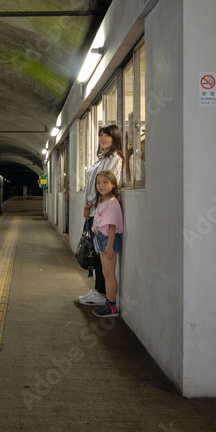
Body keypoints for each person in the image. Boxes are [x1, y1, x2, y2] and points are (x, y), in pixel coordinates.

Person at [78, 124, 124, 306]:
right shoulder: (100, 158)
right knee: (95, 253)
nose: (103, 139)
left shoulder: (114, 158)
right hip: (96, 213)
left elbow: (107, 183)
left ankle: (102, 293)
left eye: (108, 136)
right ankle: (98, 290)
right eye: (101, 135)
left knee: (100, 256)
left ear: (115, 138)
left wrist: (89, 204)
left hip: (101, 212)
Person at [90, 170, 123, 317]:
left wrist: (109, 246)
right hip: (101, 238)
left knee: (109, 274)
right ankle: (108, 303)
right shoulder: (103, 201)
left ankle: (112, 307)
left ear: (113, 184)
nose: (101, 185)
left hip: (108, 240)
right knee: (105, 273)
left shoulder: (112, 202)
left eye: (105, 182)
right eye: (98, 182)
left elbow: (112, 226)